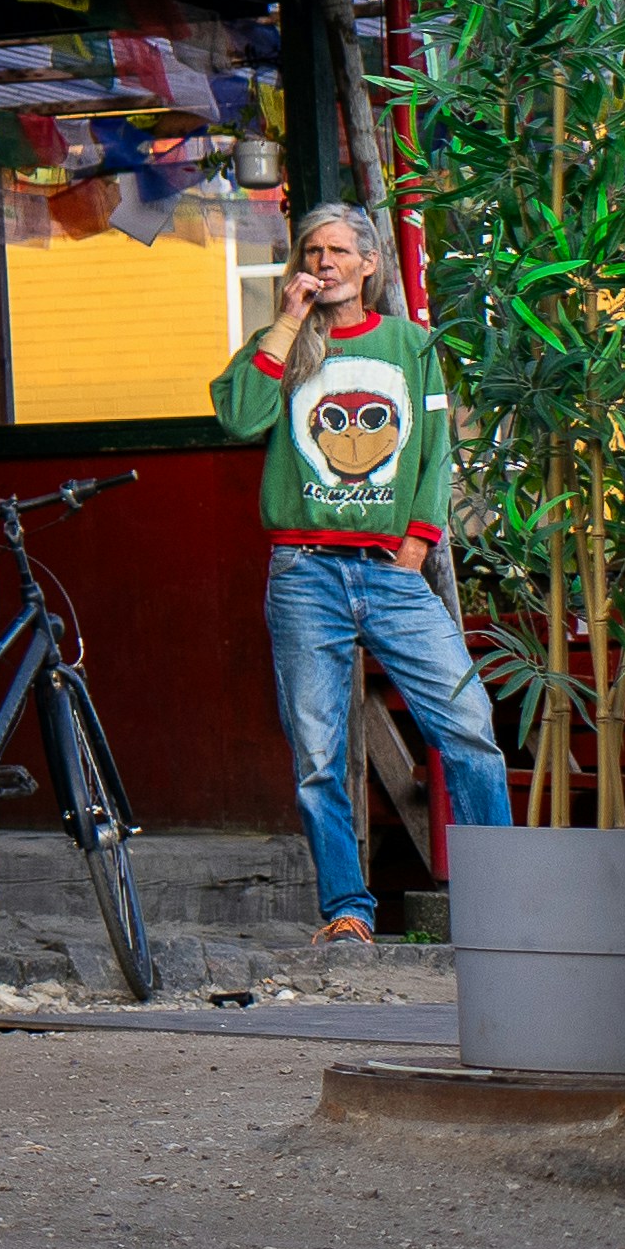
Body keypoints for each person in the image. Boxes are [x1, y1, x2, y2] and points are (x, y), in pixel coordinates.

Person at [215, 201, 512, 941]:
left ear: (369, 263)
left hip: (388, 569)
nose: (322, 262)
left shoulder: (411, 345)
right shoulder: (282, 345)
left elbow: (436, 445)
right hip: (304, 570)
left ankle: (503, 904)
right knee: (317, 753)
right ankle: (346, 910)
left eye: (337, 250)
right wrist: (284, 321)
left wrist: (415, 541)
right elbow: (239, 418)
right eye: (310, 250)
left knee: (468, 724)